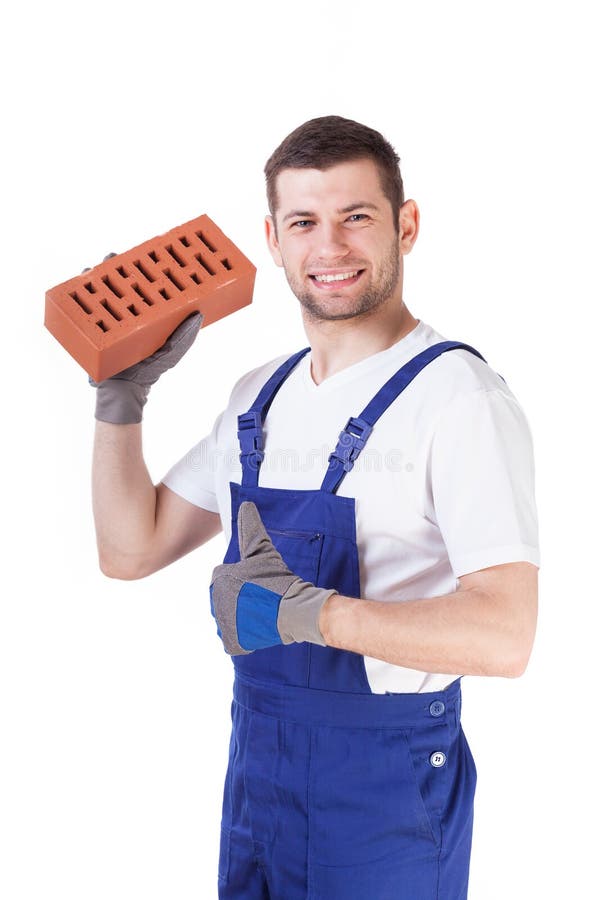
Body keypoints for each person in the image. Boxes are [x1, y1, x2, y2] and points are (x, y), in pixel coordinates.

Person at [91, 115, 539, 899]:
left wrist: (313, 615)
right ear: (272, 237)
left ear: (407, 225)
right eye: (304, 222)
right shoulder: (256, 397)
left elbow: (507, 635)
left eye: (356, 217)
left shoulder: (458, 400)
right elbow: (131, 550)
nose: (328, 248)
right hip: (257, 768)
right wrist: (121, 402)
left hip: (383, 790)